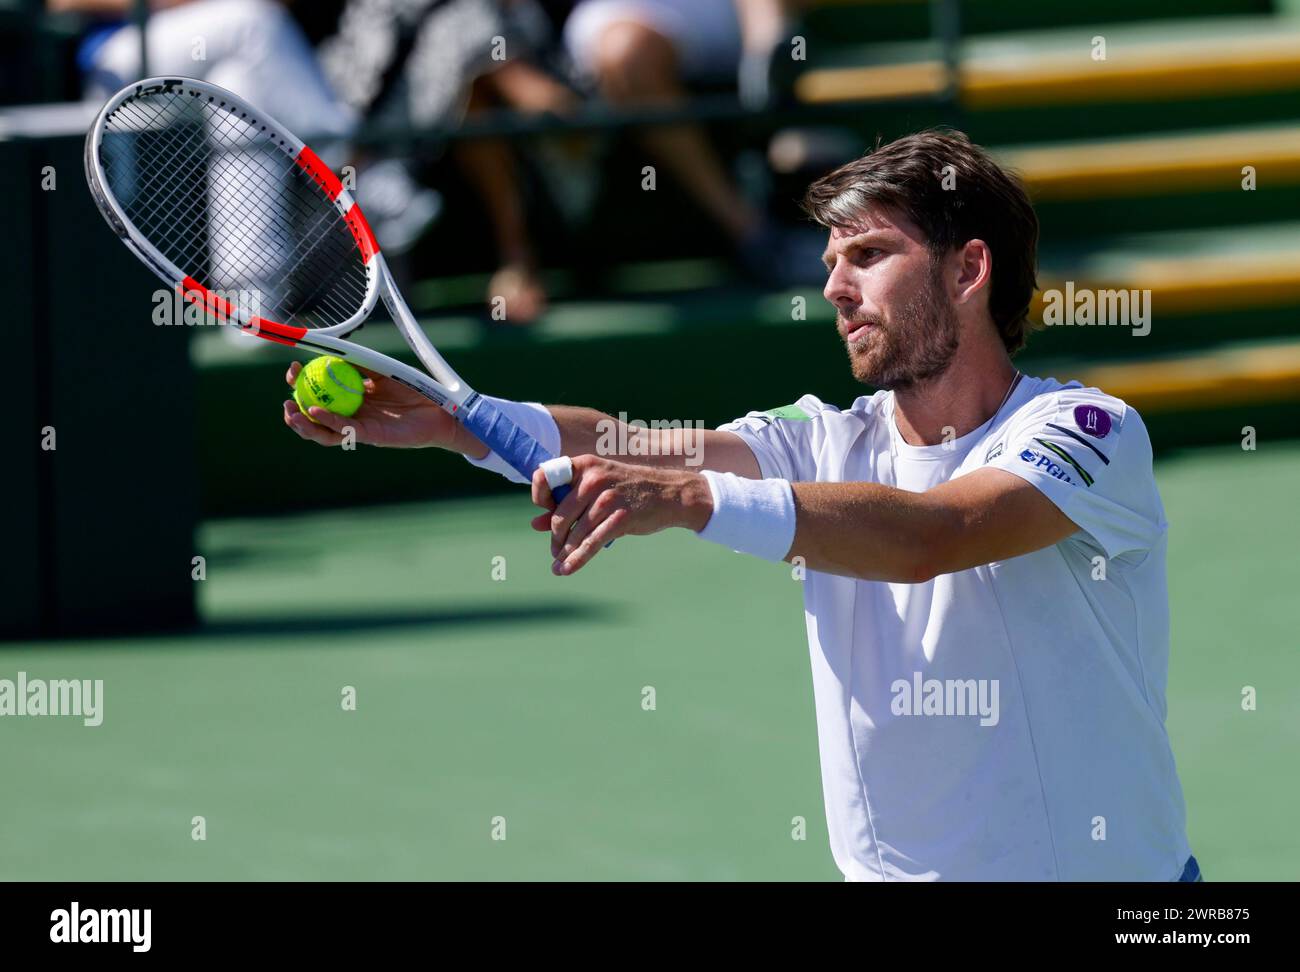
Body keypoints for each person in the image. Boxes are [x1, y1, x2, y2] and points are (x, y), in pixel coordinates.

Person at [280, 129, 1197, 881]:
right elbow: (631, 445)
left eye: (871, 255)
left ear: (969, 271)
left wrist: (690, 499)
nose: (836, 287)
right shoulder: (821, 436)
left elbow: (937, 534)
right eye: (832, 260)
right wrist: (454, 425)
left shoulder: (1088, 429)